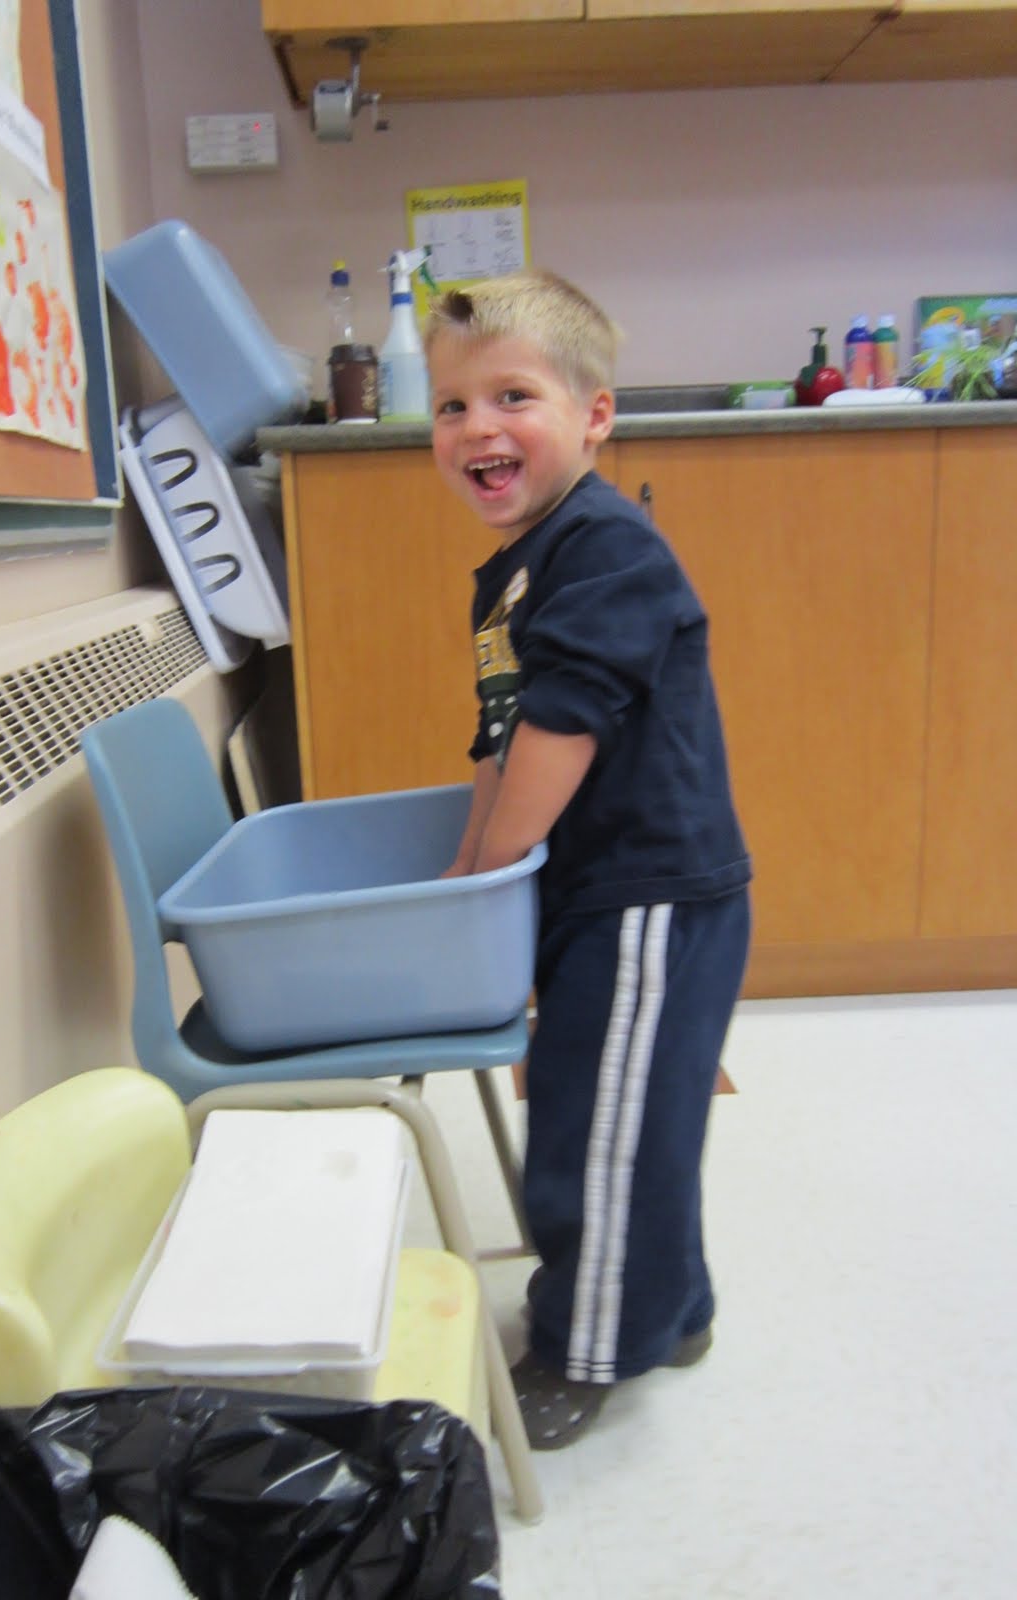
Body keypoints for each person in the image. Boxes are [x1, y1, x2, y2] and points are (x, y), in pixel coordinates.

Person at [425, 270, 752, 1450]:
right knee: (621, 1110)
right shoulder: (515, 566)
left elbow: (563, 727)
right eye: (451, 406)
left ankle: (588, 1346)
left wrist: (498, 861)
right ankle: (675, 1309)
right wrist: (477, 873)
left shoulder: (605, 546)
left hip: (650, 892)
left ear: (594, 416)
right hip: (597, 887)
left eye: (513, 395)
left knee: (598, 1132)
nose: (477, 428)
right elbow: (500, 734)